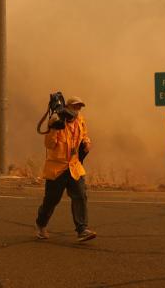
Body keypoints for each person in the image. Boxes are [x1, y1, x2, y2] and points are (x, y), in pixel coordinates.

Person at [35, 95, 97, 242]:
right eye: (75, 106)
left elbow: (85, 135)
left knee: (80, 195)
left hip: (74, 166)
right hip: (57, 168)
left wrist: (87, 143)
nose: (78, 109)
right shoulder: (56, 120)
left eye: (80, 107)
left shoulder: (80, 120)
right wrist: (54, 129)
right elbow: (49, 145)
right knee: (51, 200)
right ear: (67, 107)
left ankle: (82, 229)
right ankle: (41, 224)